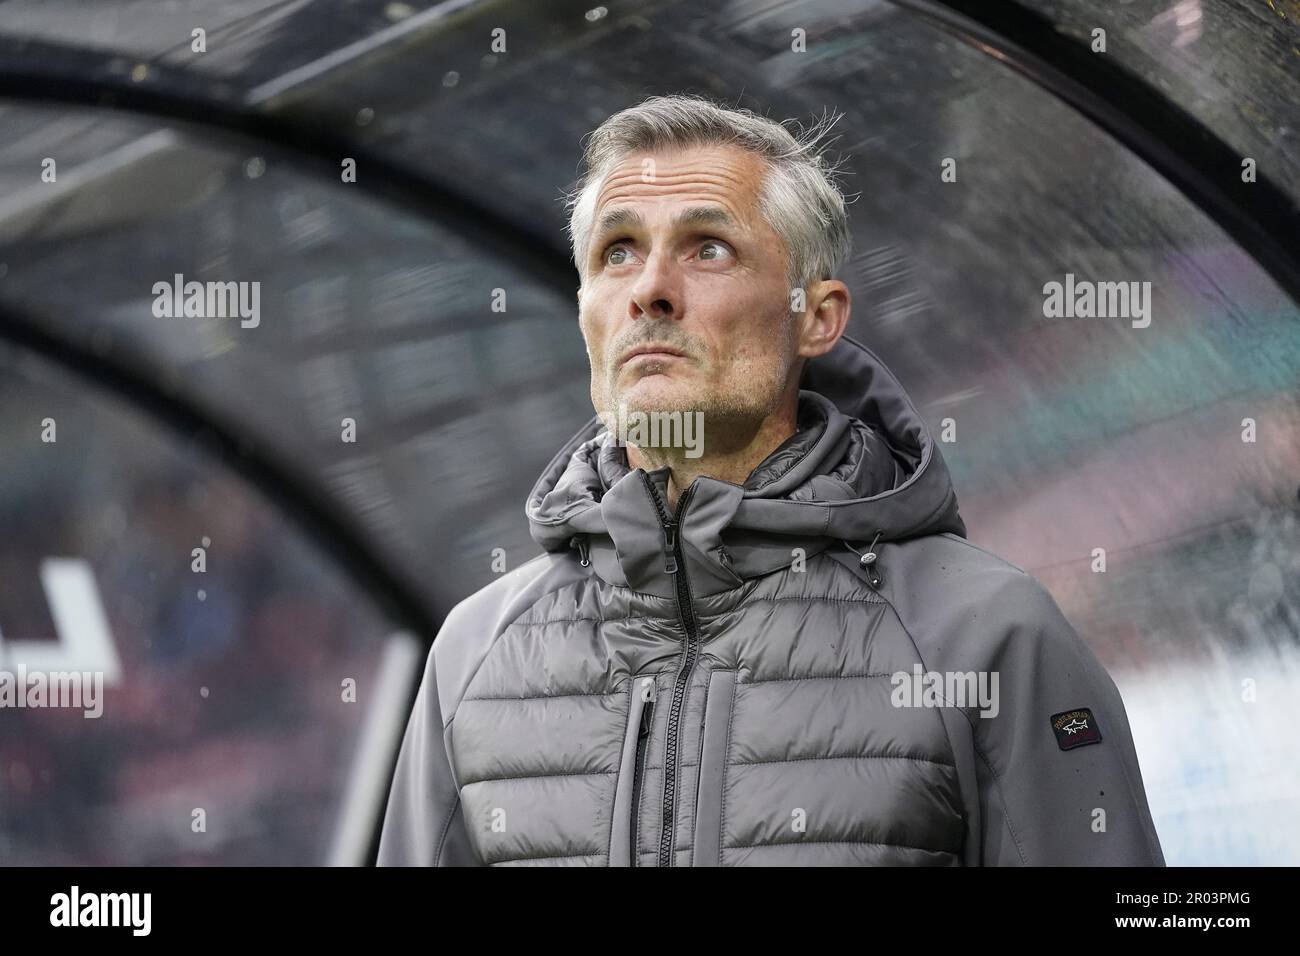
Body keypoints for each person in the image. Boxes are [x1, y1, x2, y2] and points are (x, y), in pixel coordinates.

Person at [376, 93, 1165, 866]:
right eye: (617, 251)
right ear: (586, 307)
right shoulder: (476, 651)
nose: (649, 289)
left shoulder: (983, 635)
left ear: (816, 317)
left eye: (707, 248)